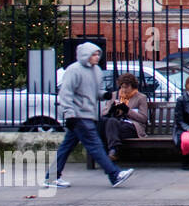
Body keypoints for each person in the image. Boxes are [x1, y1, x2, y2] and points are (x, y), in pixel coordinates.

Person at [45, 42, 135, 188]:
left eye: (98, 54)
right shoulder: (73, 70)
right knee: (95, 145)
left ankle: (51, 177)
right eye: (93, 54)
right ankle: (114, 174)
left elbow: (95, 92)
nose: (97, 57)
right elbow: (65, 93)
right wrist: (69, 114)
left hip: (87, 114)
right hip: (79, 115)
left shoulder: (96, 70)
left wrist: (105, 94)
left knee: (66, 147)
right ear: (85, 55)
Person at [102, 72, 149, 162]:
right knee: (110, 122)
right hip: (116, 124)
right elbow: (104, 113)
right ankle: (114, 150)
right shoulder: (114, 95)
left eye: (126, 87)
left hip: (132, 126)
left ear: (133, 86)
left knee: (111, 126)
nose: (123, 90)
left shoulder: (141, 97)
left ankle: (112, 151)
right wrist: (111, 109)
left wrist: (127, 110)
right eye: (122, 87)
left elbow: (143, 118)